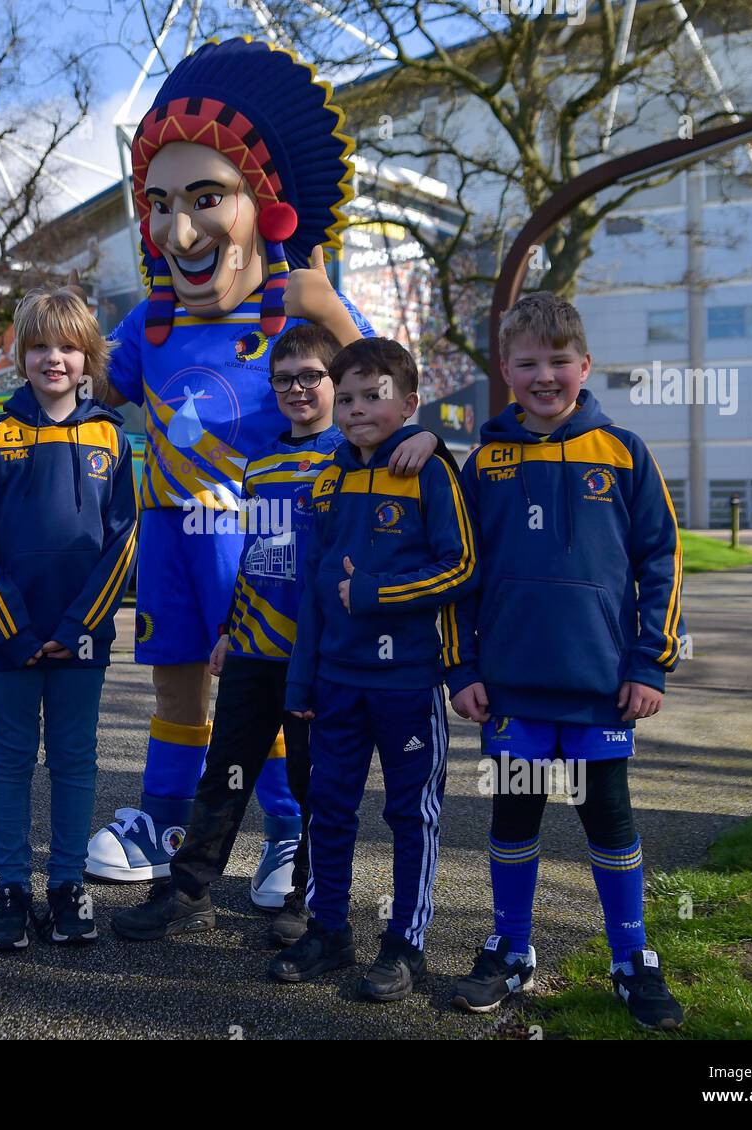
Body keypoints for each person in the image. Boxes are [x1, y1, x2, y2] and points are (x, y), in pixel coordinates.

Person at [85, 38, 441, 899]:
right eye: (161, 204)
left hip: (269, 534)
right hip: (171, 534)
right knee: (177, 686)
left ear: (265, 202)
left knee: (274, 691)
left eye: (207, 199)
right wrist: (44, 347)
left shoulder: (299, 303)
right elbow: (93, 386)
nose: (180, 232)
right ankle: (167, 816)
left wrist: (417, 434)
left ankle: (286, 833)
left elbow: (378, 385)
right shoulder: (147, 325)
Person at [445, 292, 686, 1030]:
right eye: (528, 363)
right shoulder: (484, 462)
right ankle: (511, 948)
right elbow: (460, 573)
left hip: (599, 692)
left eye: (559, 361)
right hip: (512, 691)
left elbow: (662, 561)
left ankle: (631, 958)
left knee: (607, 819)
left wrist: (650, 664)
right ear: (505, 372)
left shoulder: (623, 453)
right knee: (514, 817)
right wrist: (463, 669)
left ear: (584, 366)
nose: (545, 375)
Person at [112, 323, 353, 948]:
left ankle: (309, 899)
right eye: (284, 379)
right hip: (251, 647)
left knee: (312, 784)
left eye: (311, 378)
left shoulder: (350, 460)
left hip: (316, 656)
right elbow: (251, 555)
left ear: (334, 382)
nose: (297, 389)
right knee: (224, 775)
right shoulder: (262, 462)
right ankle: (188, 893)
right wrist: (225, 630)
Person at [268, 337, 479, 1002]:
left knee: (411, 812)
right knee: (327, 808)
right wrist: (301, 679)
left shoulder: (427, 471)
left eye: (374, 396)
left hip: (408, 684)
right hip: (335, 682)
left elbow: (461, 567)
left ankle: (405, 945)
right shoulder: (328, 477)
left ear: (410, 403)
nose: (357, 409)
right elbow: (312, 587)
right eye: (349, 396)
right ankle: (329, 929)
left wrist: (377, 594)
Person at [0, 285, 137, 951]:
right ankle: (11, 887)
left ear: (88, 357)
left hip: (79, 639)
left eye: (67, 346)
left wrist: (77, 627)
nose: (53, 358)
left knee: (72, 757)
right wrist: (16, 628)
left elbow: (124, 543)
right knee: (8, 758)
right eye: (39, 346)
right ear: (21, 356)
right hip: (9, 639)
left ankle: (66, 886)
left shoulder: (113, 440)